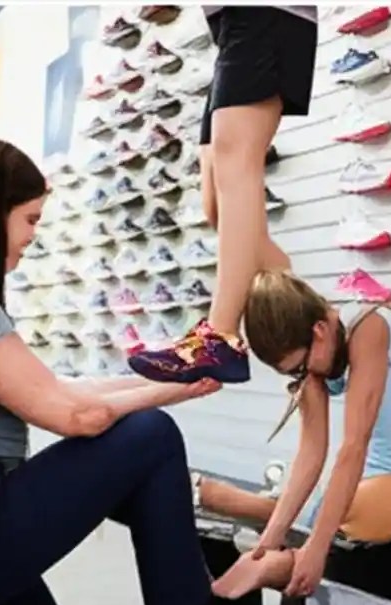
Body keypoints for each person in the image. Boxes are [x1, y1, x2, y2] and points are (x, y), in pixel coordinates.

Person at [0, 139, 265, 605]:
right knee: (150, 437)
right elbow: (77, 413)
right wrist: (163, 401)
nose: (34, 234)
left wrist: (172, 381)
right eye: (29, 219)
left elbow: (61, 389)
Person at [196, 270, 391, 599]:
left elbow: (353, 446)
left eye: (300, 368)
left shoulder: (369, 325)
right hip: (367, 479)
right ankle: (264, 550)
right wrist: (268, 541)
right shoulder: (315, 353)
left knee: (334, 514)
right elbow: (312, 453)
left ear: (319, 331)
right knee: (319, 506)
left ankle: (272, 564)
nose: (302, 376)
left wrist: (316, 548)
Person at [129, 6, 318, 385]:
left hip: (264, 14)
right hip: (230, 26)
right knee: (217, 204)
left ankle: (220, 337)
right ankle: (316, 324)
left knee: (236, 164)